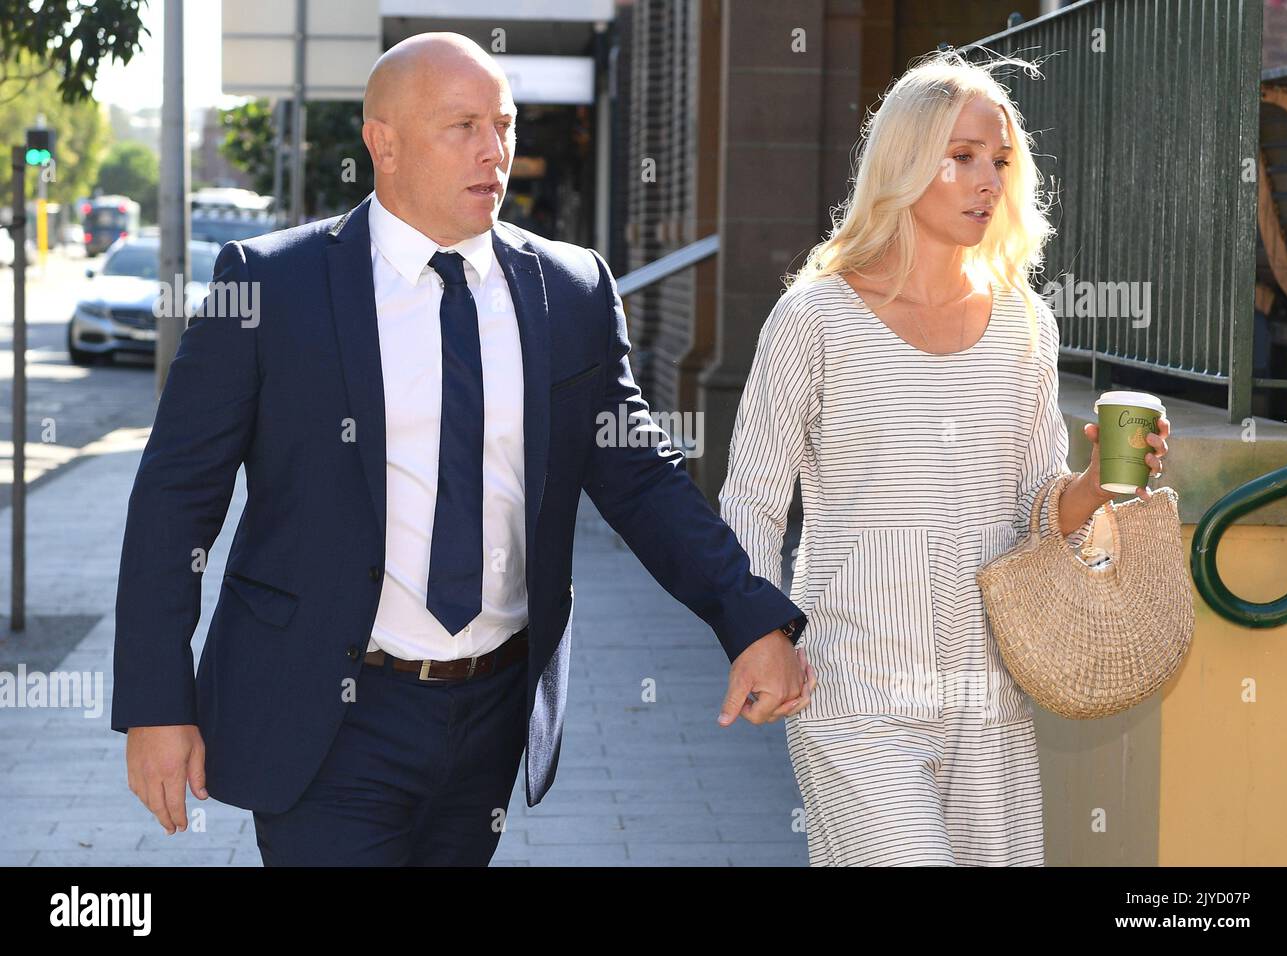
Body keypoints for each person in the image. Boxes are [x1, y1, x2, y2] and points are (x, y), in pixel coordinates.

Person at [112, 32, 813, 867]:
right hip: (326, 715)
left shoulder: (571, 289)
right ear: (384, 143)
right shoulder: (271, 285)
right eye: (464, 126)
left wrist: (749, 620)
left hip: (490, 719)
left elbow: (641, 479)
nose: (495, 151)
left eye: (504, 124)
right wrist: (157, 702)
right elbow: (176, 496)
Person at [718, 49, 1172, 866]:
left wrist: (1098, 484)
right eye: (961, 157)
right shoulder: (815, 318)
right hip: (853, 691)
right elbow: (752, 499)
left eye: (999, 161)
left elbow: (1036, 512)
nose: (986, 181)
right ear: (903, 161)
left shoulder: (1024, 324)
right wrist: (758, 635)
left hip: (990, 695)